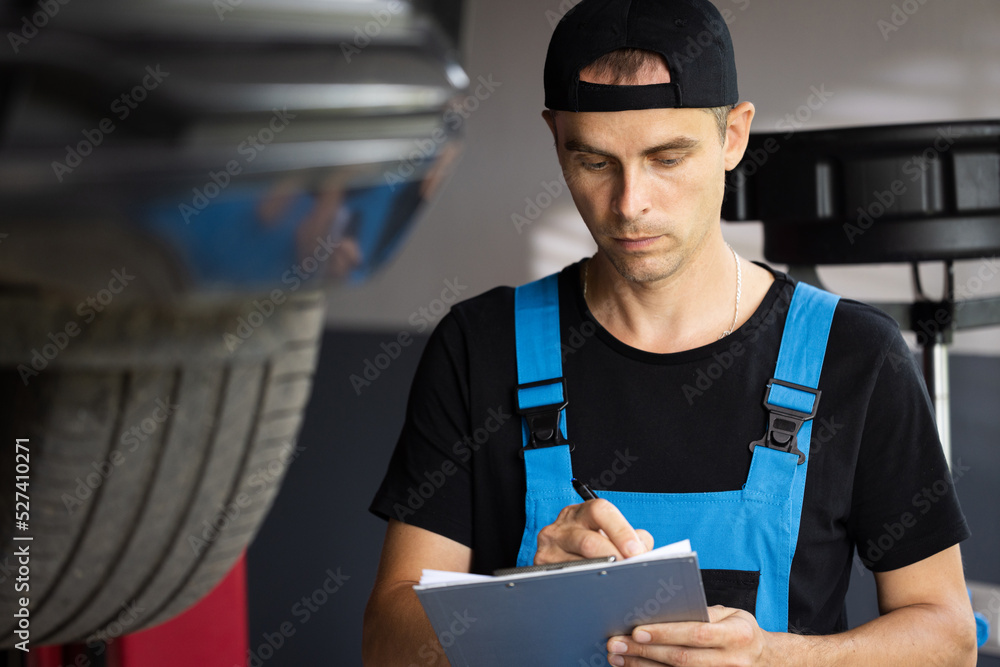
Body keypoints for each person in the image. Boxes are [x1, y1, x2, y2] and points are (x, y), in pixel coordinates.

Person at [363, 0, 978, 664]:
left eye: (668, 157)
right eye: (595, 161)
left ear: (734, 137)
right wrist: (526, 600)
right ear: (556, 138)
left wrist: (771, 657)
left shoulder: (855, 358)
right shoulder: (480, 348)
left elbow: (948, 636)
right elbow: (386, 641)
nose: (631, 204)